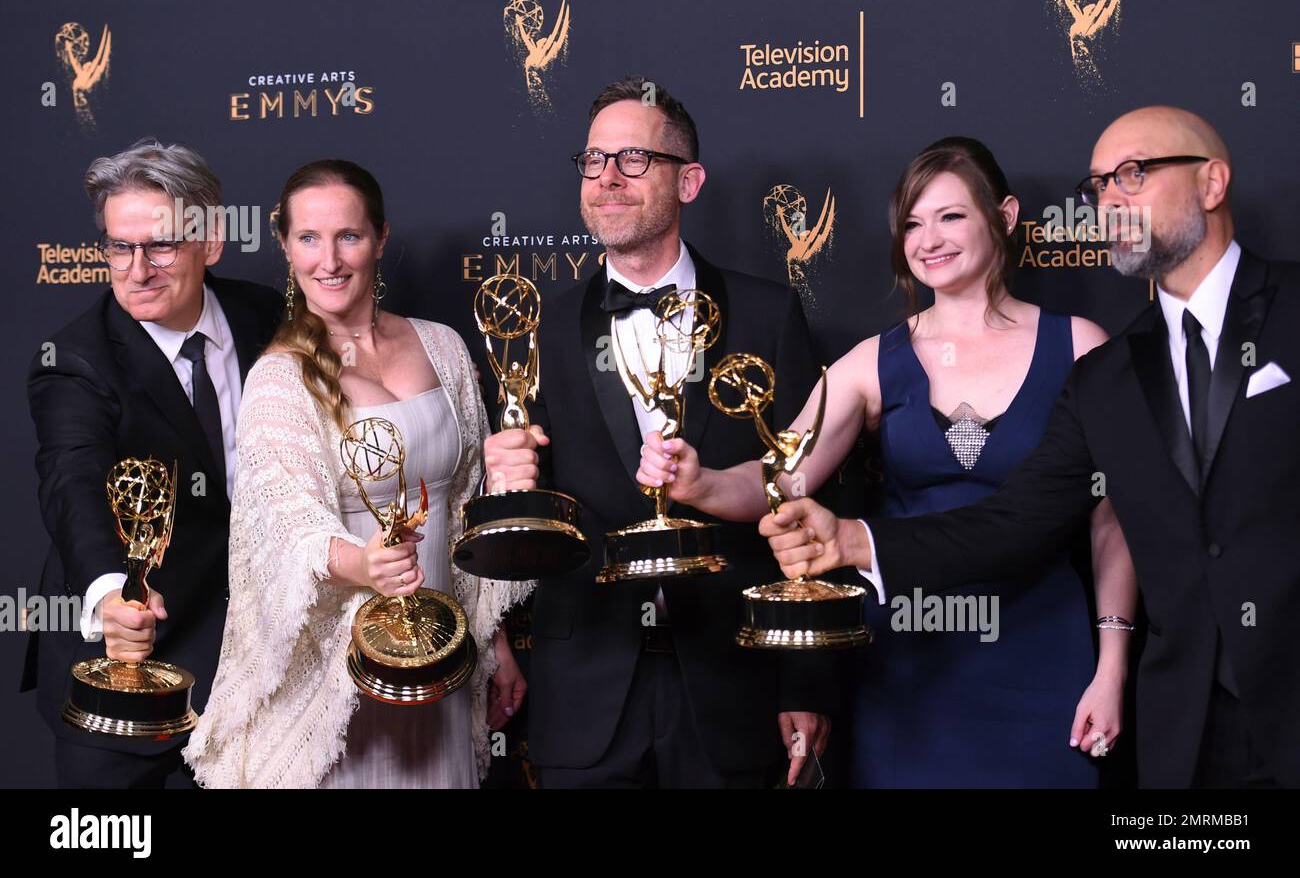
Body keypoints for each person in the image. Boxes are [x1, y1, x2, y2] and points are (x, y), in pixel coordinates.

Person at [761, 107, 1299, 789]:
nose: (1111, 201)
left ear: (1213, 182)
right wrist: (854, 540)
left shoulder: (1282, 309)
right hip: (1185, 727)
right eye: (1098, 185)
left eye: (1133, 174)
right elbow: (1012, 522)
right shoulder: (1115, 371)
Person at [639, 137, 1137, 787]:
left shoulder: (1079, 347)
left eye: (951, 216)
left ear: (1006, 215)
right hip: (910, 666)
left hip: (1045, 657)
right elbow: (779, 479)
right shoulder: (871, 361)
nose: (929, 238)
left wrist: (1112, 665)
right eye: (912, 222)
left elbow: (1111, 524)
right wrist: (698, 482)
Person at [482, 76, 835, 788]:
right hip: (585, 692)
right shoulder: (539, 327)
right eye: (593, 160)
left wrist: (806, 677)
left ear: (690, 180)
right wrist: (508, 487)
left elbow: (813, 504)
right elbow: (528, 536)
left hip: (734, 682)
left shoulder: (769, 316)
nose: (607, 178)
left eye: (634, 159)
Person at [182, 160, 530, 788]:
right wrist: (362, 565)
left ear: (381, 239)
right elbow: (287, 528)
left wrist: (494, 638)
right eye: (309, 238)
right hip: (345, 671)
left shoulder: (444, 347)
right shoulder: (279, 380)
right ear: (284, 246)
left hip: (445, 652)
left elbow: (468, 509)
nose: (330, 259)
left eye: (349, 236)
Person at [23, 139, 283, 788]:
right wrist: (111, 592)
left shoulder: (270, 318)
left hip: (253, 672)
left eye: (161, 244)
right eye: (119, 246)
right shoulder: (75, 361)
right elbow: (72, 481)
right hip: (123, 671)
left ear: (211, 241)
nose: (137, 269)